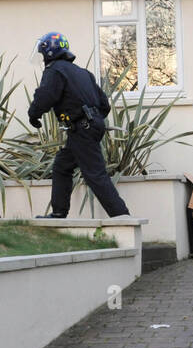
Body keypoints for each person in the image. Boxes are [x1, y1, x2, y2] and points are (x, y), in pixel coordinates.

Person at [28, 31, 130, 218]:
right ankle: (59, 212)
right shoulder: (83, 73)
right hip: (87, 127)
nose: (42, 59)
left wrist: (33, 114)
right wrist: (91, 119)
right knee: (62, 166)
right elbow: (104, 104)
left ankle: (122, 217)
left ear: (49, 52)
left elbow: (45, 96)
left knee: (95, 174)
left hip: (82, 128)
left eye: (42, 54)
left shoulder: (55, 70)